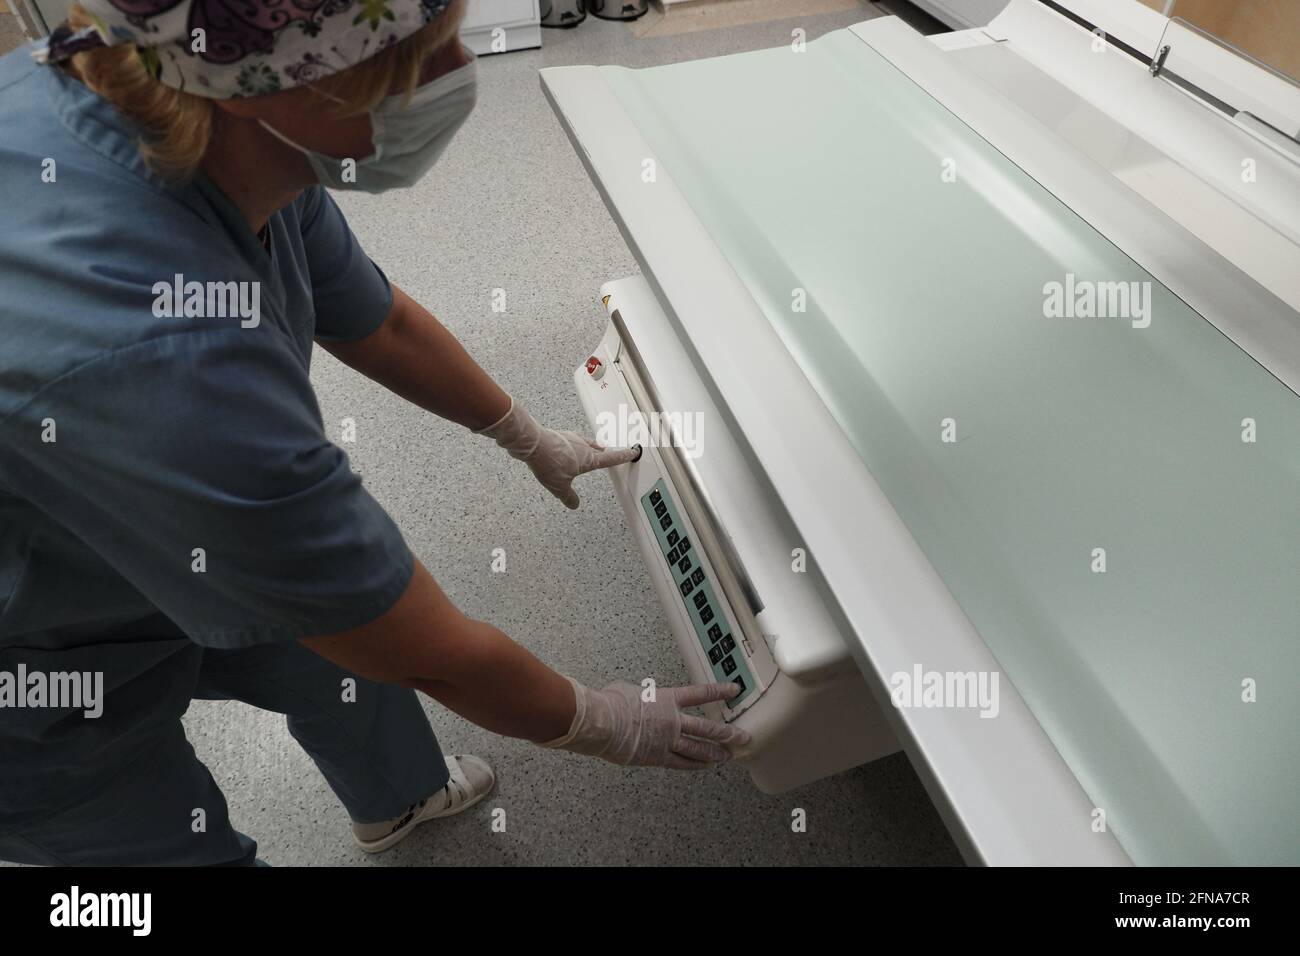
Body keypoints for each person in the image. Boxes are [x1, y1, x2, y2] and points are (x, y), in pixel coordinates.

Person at [0, 0, 749, 866]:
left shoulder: (190, 116)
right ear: (269, 88)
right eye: (415, 55)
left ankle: (400, 798)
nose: (460, 72)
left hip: (135, 529)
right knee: (150, 839)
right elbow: (430, 653)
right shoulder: (168, 363)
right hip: (35, 672)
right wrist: (603, 722)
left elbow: (378, 321)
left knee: (332, 651)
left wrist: (523, 433)